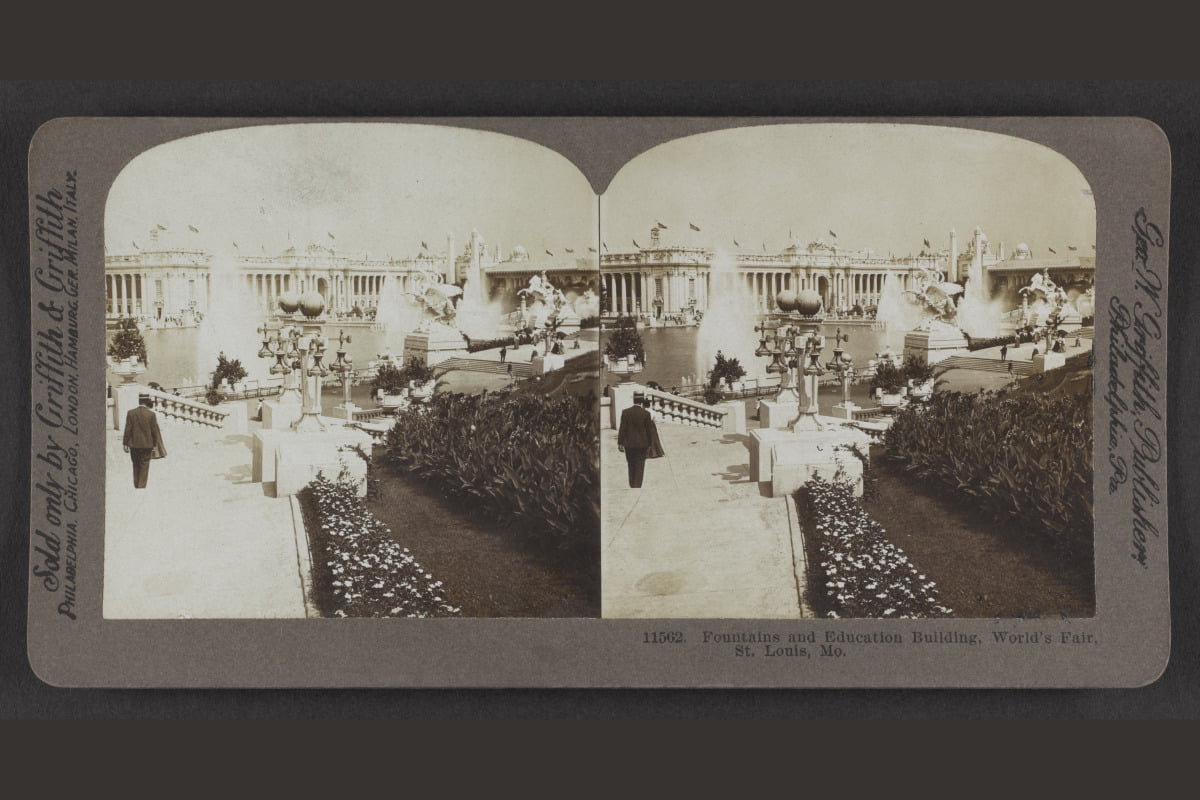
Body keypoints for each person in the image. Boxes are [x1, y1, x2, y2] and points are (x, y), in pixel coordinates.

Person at [617, 398, 664, 489]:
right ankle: (637, 486)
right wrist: (651, 444)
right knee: (640, 466)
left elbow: (622, 429)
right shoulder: (646, 414)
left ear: (634, 400)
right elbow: (649, 431)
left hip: (629, 445)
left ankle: (632, 484)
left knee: (631, 465)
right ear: (641, 402)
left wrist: (620, 443)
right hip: (642, 445)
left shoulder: (625, 412)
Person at [123, 395, 166, 489]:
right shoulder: (151, 414)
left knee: (136, 465)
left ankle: (136, 485)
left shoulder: (130, 413)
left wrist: (125, 443)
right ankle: (141, 487)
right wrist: (155, 444)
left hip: (134, 445)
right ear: (147, 401)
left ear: (139, 401)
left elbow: (127, 429)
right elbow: (154, 431)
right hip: (147, 445)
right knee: (144, 466)